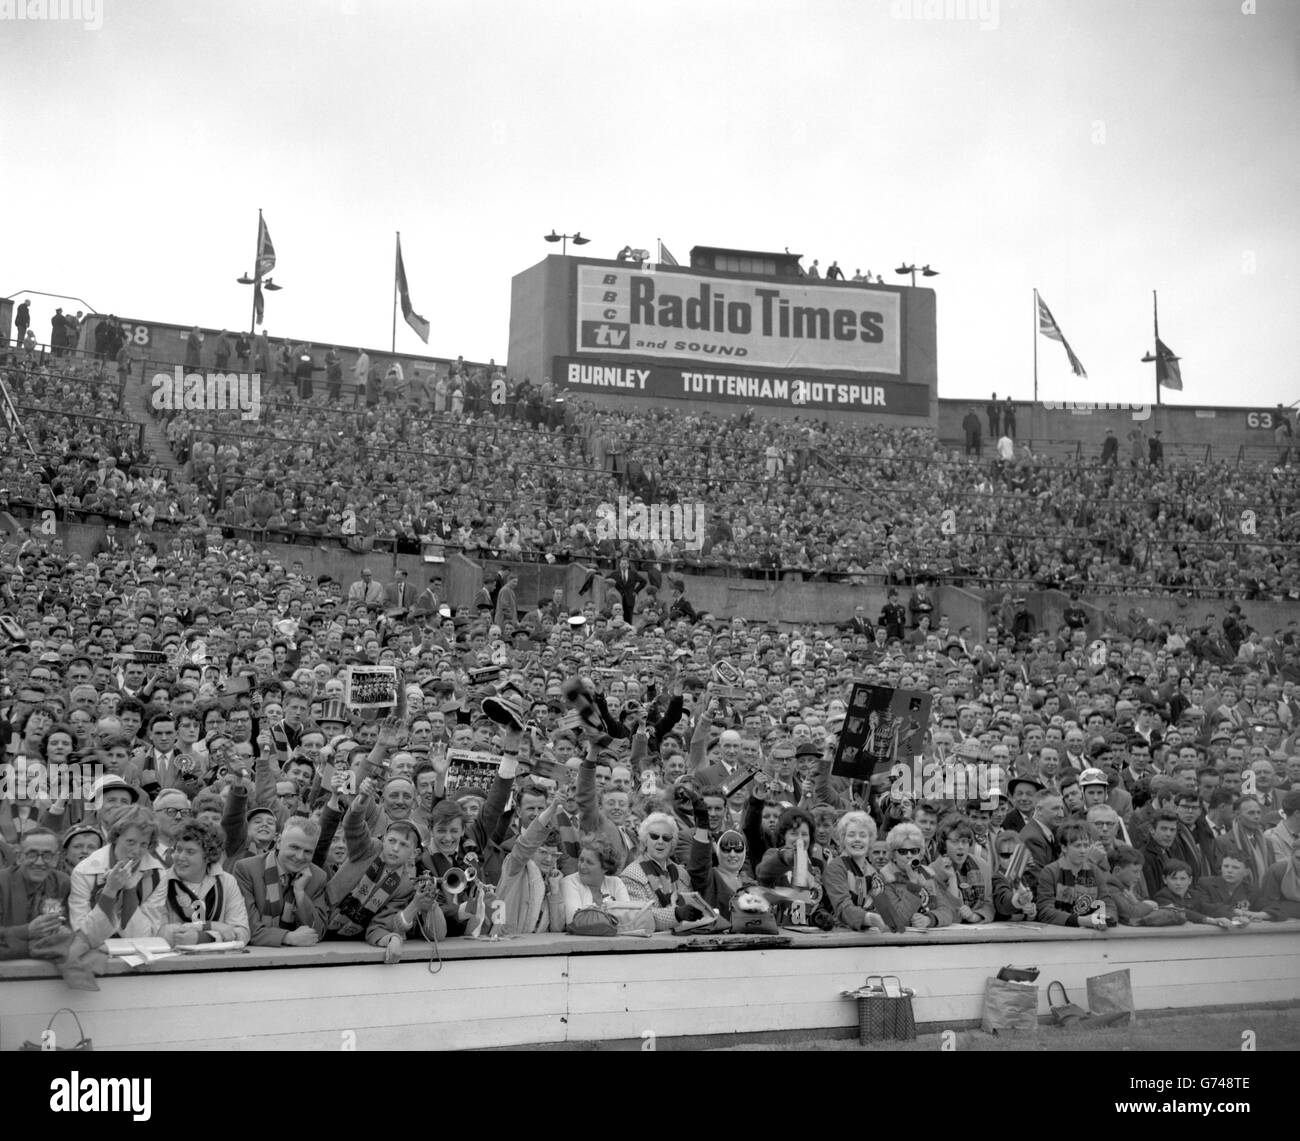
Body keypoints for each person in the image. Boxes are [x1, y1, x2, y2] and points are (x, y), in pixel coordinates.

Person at [68, 806, 168, 948]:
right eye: (130, 842)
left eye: (144, 844)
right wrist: (110, 891)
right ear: (115, 837)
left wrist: (130, 888)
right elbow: (86, 937)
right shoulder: (84, 871)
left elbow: (145, 937)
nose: (136, 851)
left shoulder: (157, 874)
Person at [140, 820, 250, 946]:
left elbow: (242, 932)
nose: (180, 857)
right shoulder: (162, 881)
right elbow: (157, 932)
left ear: (208, 855)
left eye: (190, 852)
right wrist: (209, 926)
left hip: (218, 960)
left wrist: (203, 937)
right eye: (178, 849)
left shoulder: (226, 881)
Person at [233, 819, 330, 947]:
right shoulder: (246, 869)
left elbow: (317, 932)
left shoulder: (317, 877)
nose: (300, 856)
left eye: (308, 851)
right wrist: (287, 937)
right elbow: (246, 928)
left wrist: (300, 893)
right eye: (294, 847)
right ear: (278, 842)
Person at [620, 812, 699, 931]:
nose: (660, 841)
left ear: (672, 843)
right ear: (645, 840)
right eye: (654, 836)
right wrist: (676, 914)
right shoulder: (631, 875)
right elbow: (642, 917)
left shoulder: (682, 873)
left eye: (666, 838)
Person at [875, 822, 957, 929]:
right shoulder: (884, 879)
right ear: (893, 855)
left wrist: (929, 919)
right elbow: (897, 919)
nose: (909, 856)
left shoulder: (928, 875)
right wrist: (913, 883)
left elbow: (947, 911)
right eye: (903, 851)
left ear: (920, 854)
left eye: (914, 851)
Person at [1035, 821, 1113, 928]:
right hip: (1059, 933)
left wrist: (1104, 917)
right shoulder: (1050, 871)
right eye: (1077, 846)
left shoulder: (1095, 871)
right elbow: (1044, 911)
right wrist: (1081, 921)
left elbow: (1108, 904)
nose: (1083, 850)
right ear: (1064, 848)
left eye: (1086, 845)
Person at [820, 811, 886, 931]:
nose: (857, 840)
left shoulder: (873, 872)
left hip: (867, 938)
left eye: (862, 835)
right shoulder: (835, 868)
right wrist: (869, 918)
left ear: (870, 839)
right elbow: (842, 907)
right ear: (843, 839)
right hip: (834, 938)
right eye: (851, 835)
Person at [561, 835, 631, 925]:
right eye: (581, 860)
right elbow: (575, 920)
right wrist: (613, 918)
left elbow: (628, 918)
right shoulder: (569, 883)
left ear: (605, 868)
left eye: (589, 862)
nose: (582, 866)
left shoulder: (616, 883)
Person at [1253, 844, 1300, 920]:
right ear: (1291, 855)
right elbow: (1266, 902)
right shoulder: (1277, 870)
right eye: (1298, 858)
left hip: (1283, 908)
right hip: (1278, 911)